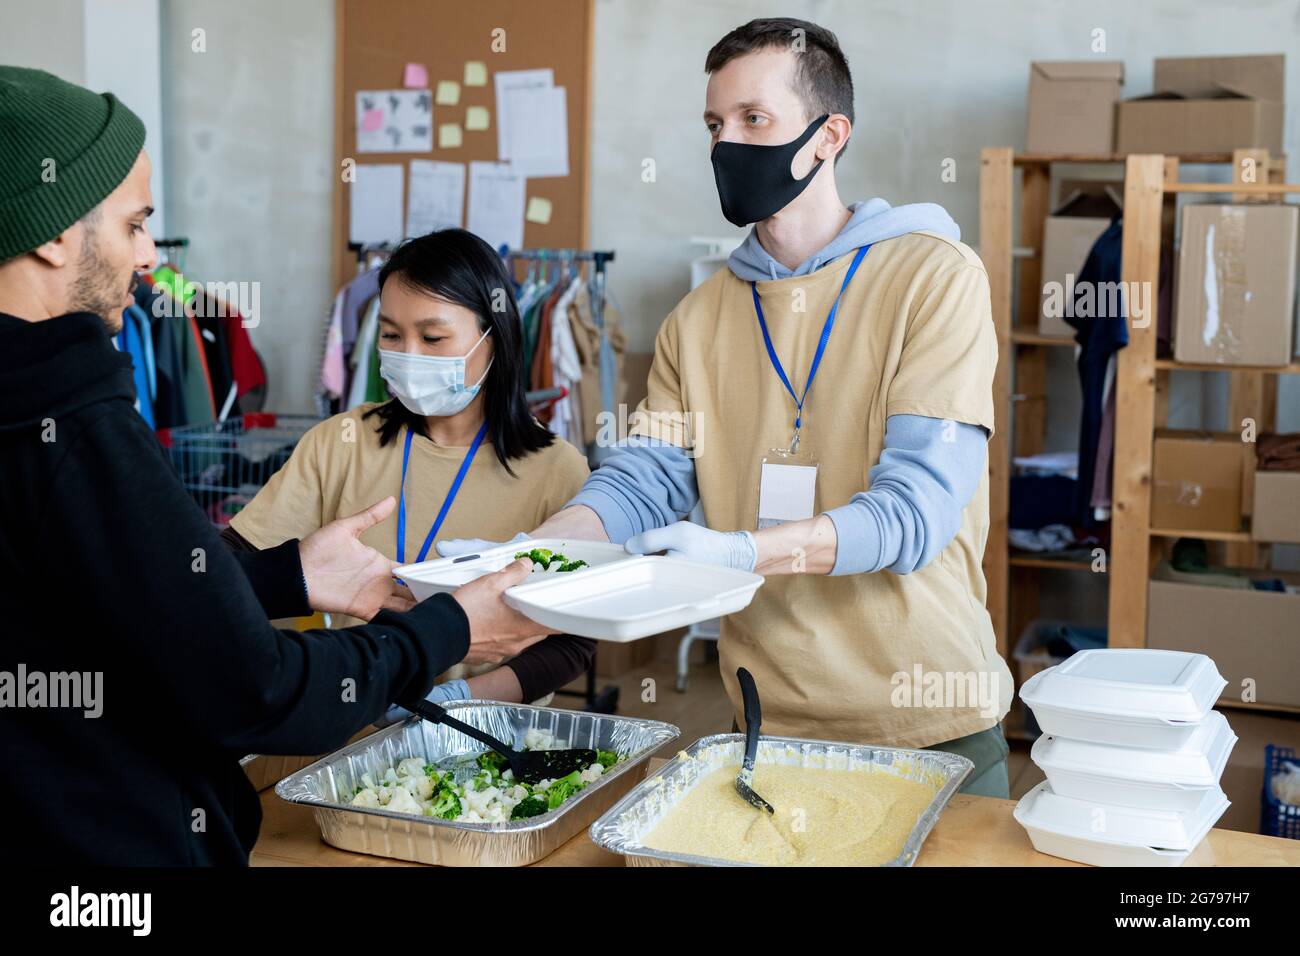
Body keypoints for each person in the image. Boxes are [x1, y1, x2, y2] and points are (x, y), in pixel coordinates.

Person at [444, 18, 1015, 796]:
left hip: (928, 721)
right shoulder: (698, 317)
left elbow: (916, 514)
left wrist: (745, 553)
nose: (728, 145)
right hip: (764, 726)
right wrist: (526, 560)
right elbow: (641, 482)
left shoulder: (933, 277)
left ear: (828, 136)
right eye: (716, 124)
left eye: (755, 120)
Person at [0, 65, 548, 865]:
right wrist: (446, 628)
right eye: (134, 225)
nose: (152, 257)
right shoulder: (77, 426)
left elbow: (101, 604)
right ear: (53, 232)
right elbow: (254, 691)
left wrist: (282, 578)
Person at [224, 229, 594, 715]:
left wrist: (458, 701)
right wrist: (294, 577)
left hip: (490, 739)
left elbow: (573, 644)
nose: (409, 354)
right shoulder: (341, 441)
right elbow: (227, 573)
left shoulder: (558, 469)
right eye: (392, 334)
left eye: (433, 337)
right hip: (350, 719)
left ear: (494, 337)